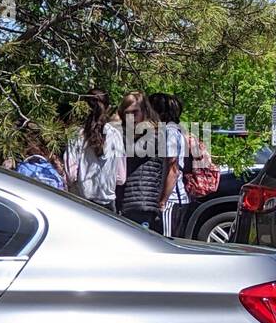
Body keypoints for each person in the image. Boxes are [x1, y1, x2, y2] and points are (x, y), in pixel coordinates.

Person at [64, 89, 125, 212]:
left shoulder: (76, 135)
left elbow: (71, 175)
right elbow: (121, 178)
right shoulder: (115, 135)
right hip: (108, 204)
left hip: (82, 202)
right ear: (108, 108)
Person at [118, 90, 168, 231]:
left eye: (135, 112)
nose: (131, 117)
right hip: (129, 201)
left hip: (142, 201)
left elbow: (133, 152)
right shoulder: (131, 133)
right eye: (126, 113)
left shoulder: (155, 133)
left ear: (145, 111)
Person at [148, 91, 189, 237]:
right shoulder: (176, 131)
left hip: (171, 201)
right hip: (174, 199)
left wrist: (162, 201)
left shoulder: (170, 132)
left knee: (165, 242)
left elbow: (173, 169)